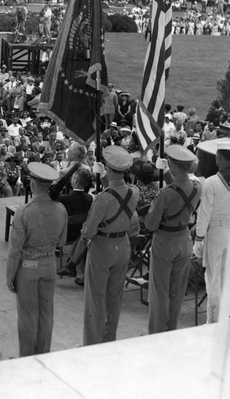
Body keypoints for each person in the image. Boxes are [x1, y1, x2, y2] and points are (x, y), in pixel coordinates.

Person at [6, 162, 66, 356]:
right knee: (46, 314)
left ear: (32, 184)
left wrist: (10, 276)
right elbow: (62, 241)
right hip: (49, 264)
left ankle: (26, 357)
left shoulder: (24, 212)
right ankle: (43, 354)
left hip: (28, 266)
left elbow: (15, 250)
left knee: (27, 317)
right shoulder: (61, 209)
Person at [82, 146, 139, 345]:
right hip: (122, 245)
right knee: (114, 298)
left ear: (107, 168)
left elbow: (89, 232)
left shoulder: (102, 198)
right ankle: (109, 340)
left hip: (102, 247)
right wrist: (106, 178)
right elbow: (118, 193)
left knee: (95, 299)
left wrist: (84, 230)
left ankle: (92, 343)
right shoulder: (134, 192)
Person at [145, 144, 204, 333]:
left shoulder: (165, 193)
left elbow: (150, 224)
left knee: (159, 291)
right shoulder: (197, 187)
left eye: (170, 162)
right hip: (183, 239)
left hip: (165, 240)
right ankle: (171, 330)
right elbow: (180, 189)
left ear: (174, 166)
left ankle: (157, 333)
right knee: (177, 290)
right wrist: (169, 174)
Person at [193, 138, 230, 324]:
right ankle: (228, 318)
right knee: (229, 278)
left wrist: (199, 238)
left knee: (213, 278)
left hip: (216, 232)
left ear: (220, 158)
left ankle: (212, 320)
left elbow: (204, 214)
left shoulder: (211, 182)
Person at [55, 166, 95, 285]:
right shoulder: (90, 198)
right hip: (80, 234)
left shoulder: (63, 198)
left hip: (65, 235)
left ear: (75, 179)